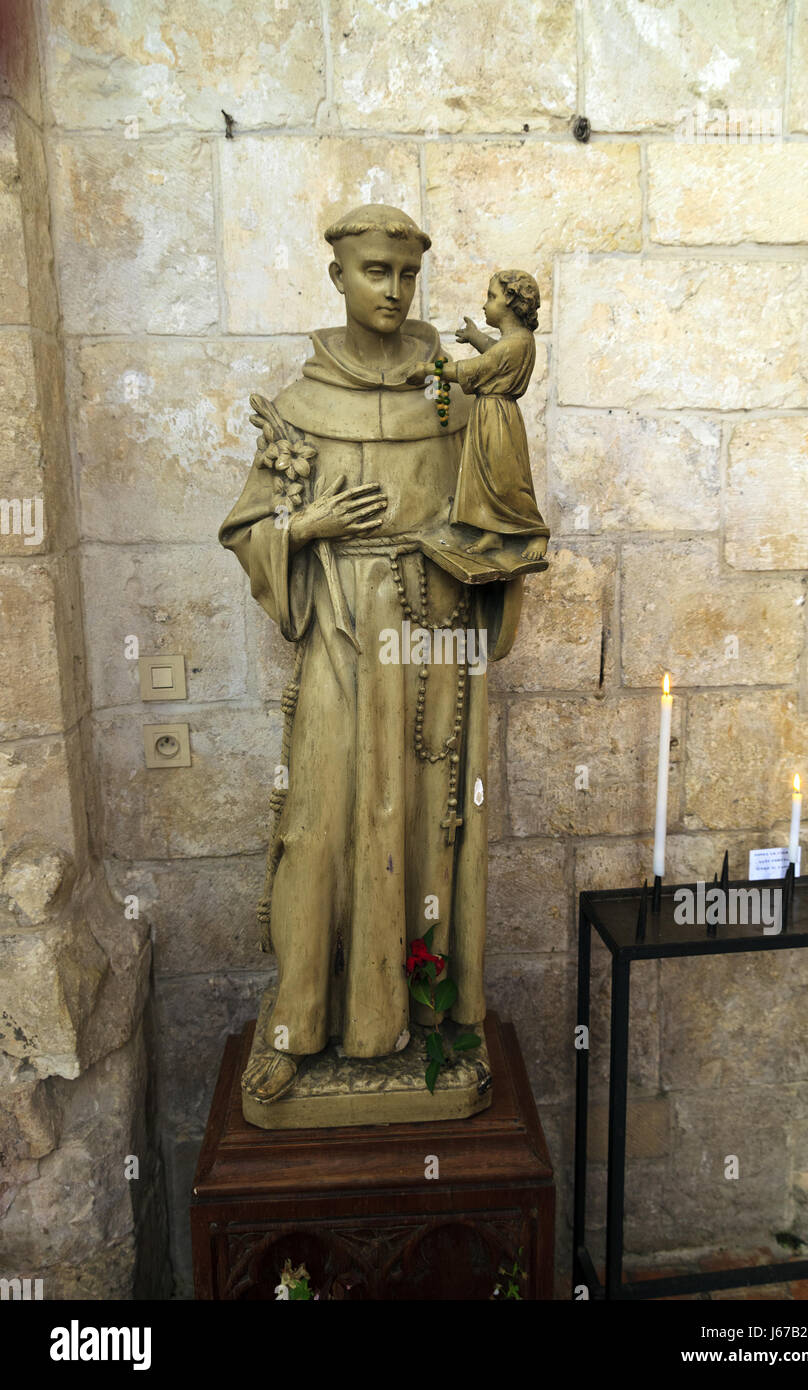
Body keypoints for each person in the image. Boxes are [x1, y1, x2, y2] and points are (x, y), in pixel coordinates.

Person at [219, 206, 525, 1106]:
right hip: (344, 636)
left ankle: (425, 1022)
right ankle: (298, 1024)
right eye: (374, 272)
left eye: (404, 274)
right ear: (339, 277)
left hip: (433, 636)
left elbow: (496, 504)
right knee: (318, 826)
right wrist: (303, 526)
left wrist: (492, 546)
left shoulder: (448, 390)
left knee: (432, 828)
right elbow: (247, 529)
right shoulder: (305, 403)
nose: (392, 291)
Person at [414, 270, 549, 561]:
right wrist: (476, 337)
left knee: (505, 479)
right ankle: (493, 529)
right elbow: (494, 354)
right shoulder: (514, 340)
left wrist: (430, 370)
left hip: (498, 417)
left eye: (491, 297)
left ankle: (535, 530)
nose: (485, 304)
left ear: (510, 300)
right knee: (482, 477)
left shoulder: (518, 343)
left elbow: (477, 368)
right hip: (488, 412)